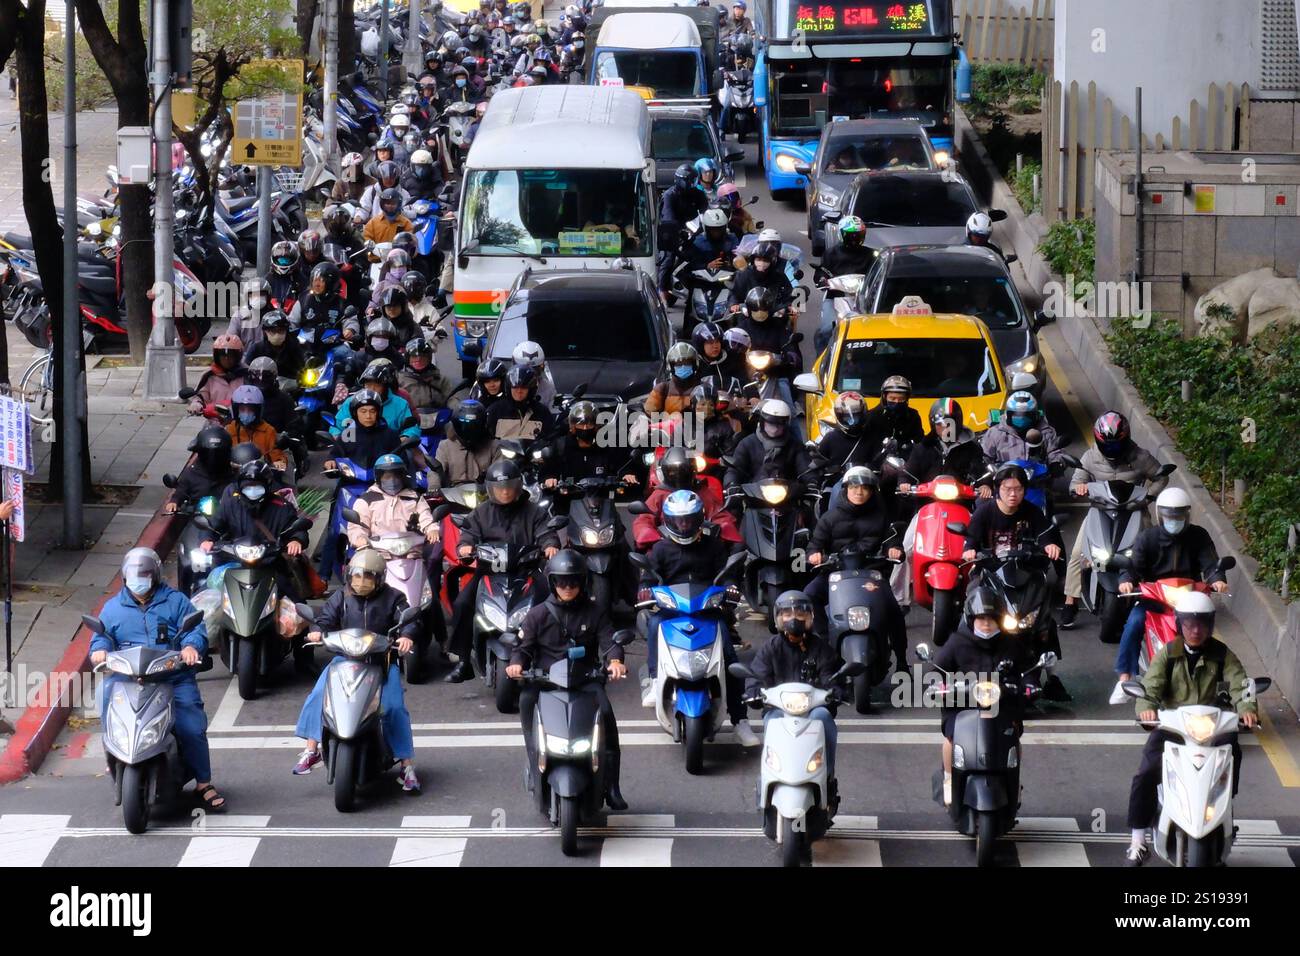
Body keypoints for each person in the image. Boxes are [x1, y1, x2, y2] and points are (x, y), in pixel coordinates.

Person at [1123, 590, 1257, 865]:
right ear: (1180, 624)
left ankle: (1223, 818)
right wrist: (1146, 709)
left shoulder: (1222, 654)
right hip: (1173, 726)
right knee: (1146, 772)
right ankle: (1137, 840)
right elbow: (1150, 688)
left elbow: (1240, 684)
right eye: (1189, 623)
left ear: (1210, 624)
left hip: (1212, 726)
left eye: (1201, 623)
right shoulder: (1168, 654)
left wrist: (1246, 711)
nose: (1195, 630)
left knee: (1233, 757)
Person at [90, 549, 226, 811]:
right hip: (127, 678)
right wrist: (99, 650)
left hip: (171, 677)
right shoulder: (113, 608)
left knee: (191, 727)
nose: (137, 581)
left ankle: (203, 783)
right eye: (132, 576)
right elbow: (102, 636)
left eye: (143, 576)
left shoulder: (175, 602)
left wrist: (190, 647)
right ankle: (114, 756)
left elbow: (194, 630)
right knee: (106, 703)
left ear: (154, 576)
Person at [291, 549, 423, 792]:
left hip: (380, 662)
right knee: (318, 697)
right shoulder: (341, 597)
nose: (360, 582)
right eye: (356, 576)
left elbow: (409, 619)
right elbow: (326, 619)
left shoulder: (394, 597)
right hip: (344, 659)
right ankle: (312, 750)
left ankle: (406, 765)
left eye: (368, 577)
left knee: (394, 707)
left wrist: (406, 636)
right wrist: (318, 631)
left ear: (380, 578)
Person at [506, 550, 629, 809]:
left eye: (573, 581)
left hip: (585, 680)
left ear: (582, 582)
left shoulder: (595, 612)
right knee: (527, 701)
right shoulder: (537, 614)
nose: (568, 587)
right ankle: (534, 761)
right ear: (552, 583)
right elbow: (523, 647)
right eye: (562, 582)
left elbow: (610, 641)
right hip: (546, 682)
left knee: (606, 714)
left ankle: (612, 785)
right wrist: (517, 664)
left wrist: (615, 661)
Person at [638, 490, 757, 745]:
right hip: (672, 612)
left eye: (689, 520)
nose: (684, 525)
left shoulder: (713, 546)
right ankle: (653, 679)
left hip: (708, 612)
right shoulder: (660, 549)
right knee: (654, 624)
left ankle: (740, 720)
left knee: (729, 656)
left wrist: (731, 588)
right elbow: (647, 577)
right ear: (668, 521)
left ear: (699, 518)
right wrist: (645, 590)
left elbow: (726, 574)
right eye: (679, 520)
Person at [444, 460, 561, 682]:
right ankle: (463, 661)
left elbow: (547, 532)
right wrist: (465, 546)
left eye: (509, 487)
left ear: (518, 486)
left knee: (553, 603)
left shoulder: (534, 511)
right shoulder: (481, 512)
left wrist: (550, 545)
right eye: (499, 488)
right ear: (490, 489)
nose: (504, 492)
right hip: (488, 573)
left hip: (526, 570)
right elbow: (468, 534)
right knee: (462, 604)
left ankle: (554, 657)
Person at [961, 463, 1069, 701]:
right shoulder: (984, 512)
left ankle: (1052, 676)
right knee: (970, 600)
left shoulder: (1032, 512)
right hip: (989, 573)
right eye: (1008, 488)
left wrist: (1050, 545)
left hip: (1025, 575)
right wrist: (970, 551)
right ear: (998, 488)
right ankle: (964, 663)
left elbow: (1047, 535)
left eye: (1018, 489)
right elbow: (970, 540)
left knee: (1044, 621)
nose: (1013, 494)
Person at [1111, 487, 1230, 704]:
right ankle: (1124, 677)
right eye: (1169, 516)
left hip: (1190, 600)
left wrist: (1217, 579)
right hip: (1154, 599)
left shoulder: (1199, 536)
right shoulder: (1147, 538)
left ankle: (1220, 684)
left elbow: (1211, 563)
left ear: (1187, 515)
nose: (1174, 520)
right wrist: (1126, 580)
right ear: (1160, 515)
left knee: (1203, 629)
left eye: (1179, 515)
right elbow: (1133, 567)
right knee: (1135, 622)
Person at [1058, 411, 1169, 629]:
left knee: (1154, 550)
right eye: (1106, 445)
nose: (1112, 450)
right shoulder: (1090, 457)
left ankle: (1157, 599)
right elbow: (1076, 481)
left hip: (1134, 510)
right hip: (1100, 511)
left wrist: (1149, 496)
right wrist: (1078, 488)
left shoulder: (1141, 457)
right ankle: (1070, 601)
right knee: (1077, 553)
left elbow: (1161, 476)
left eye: (1116, 445)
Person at [928, 585, 1033, 807]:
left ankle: (1014, 780)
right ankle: (949, 778)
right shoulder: (957, 642)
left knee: (1013, 737)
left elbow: (1028, 670)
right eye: (981, 618)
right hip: (963, 705)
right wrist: (938, 687)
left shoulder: (1011, 644)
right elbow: (936, 670)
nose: (986, 623)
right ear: (970, 618)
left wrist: (1028, 686)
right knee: (950, 739)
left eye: (991, 618)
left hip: (1003, 704)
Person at [804, 466, 907, 667]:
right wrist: (814, 555)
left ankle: (902, 660)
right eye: (854, 487)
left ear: (872, 491)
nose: (859, 492)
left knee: (894, 611)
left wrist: (894, 549)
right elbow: (814, 544)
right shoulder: (829, 517)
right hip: (836, 574)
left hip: (871, 575)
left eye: (864, 488)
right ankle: (825, 642)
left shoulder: (881, 516)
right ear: (845, 489)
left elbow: (892, 541)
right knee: (808, 595)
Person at [744, 590, 841, 777]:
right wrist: (753, 691)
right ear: (778, 618)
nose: (794, 619)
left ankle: (827, 775)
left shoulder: (821, 648)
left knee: (824, 717)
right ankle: (771, 777)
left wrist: (835, 690)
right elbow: (757, 674)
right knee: (772, 722)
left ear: (810, 617)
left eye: (800, 614)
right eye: (787, 614)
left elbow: (830, 676)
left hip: (813, 709)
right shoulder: (770, 647)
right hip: (778, 709)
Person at [724, 398, 811, 493]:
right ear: (762, 423)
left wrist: (812, 483)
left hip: (788, 498)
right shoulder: (747, 443)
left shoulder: (795, 445)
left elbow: (805, 468)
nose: (774, 429)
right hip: (753, 497)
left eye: (779, 424)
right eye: (770, 424)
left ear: (786, 425)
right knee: (734, 505)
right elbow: (735, 469)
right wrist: (732, 484)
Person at [816, 216, 872, 355]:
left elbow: (877, 274)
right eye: (850, 235)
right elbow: (821, 272)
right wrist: (823, 279)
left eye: (857, 235)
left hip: (864, 298)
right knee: (827, 330)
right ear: (842, 234)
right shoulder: (830, 254)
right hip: (835, 297)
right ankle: (821, 361)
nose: (854, 239)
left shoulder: (871, 254)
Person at [334, 360, 422, 442]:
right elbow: (336, 427)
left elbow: (412, 428)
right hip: (355, 451)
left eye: (377, 385)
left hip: (391, 452)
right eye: (368, 385)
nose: (372, 389)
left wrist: (405, 438)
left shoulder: (400, 404)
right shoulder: (350, 403)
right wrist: (338, 437)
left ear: (385, 386)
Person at [657, 163, 709, 303]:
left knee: (705, 252)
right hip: (671, 232)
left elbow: (706, 212)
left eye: (694, 180)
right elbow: (668, 218)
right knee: (668, 259)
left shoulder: (698, 194)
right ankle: (661, 291)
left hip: (694, 230)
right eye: (689, 181)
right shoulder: (669, 195)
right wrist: (679, 232)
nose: (692, 184)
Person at [980, 389, 1067, 465]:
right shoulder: (995, 433)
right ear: (1007, 415)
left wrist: (1056, 463)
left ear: (1035, 416)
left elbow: (1054, 452)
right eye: (1016, 416)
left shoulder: (1045, 432)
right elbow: (984, 456)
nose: (1021, 419)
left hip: (1037, 479)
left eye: (1026, 416)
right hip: (1005, 480)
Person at [166, 425, 234, 514]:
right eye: (208, 453)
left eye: (218, 453)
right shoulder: (191, 473)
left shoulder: (233, 475)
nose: (213, 457)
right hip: (196, 520)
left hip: (229, 520)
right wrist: (174, 502)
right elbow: (181, 491)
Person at [432, 398, 497, 488]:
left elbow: (500, 471)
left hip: (486, 494)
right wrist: (434, 487)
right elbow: (435, 471)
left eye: (475, 426)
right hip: (453, 495)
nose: (469, 430)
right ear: (455, 425)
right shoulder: (445, 446)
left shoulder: (493, 446)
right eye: (464, 424)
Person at [862, 376, 925, 470]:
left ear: (907, 399)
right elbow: (864, 447)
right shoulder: (872, 416)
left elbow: (919, 442)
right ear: (884, 396)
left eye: (901, 399)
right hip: (876, 468)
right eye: (892, 398)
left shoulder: (913, 416)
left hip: (906, 466)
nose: (897, 402)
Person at [486, 364, 557, 443]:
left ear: (531, 389)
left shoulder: (543, 412)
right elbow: (487, 441)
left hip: (532, 454)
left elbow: (550, 439)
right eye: (515, 387)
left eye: (524, 387)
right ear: (509, 387)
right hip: (502, 454)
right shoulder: (495, 410)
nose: (519, 391)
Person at [187, 334, 245, 416]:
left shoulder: (247, 374)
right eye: (223, 355)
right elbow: (201, 395)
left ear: (237, 356)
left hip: (239, 422)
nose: (227, 359)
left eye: (231, 355)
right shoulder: (209, 375)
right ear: (217, 356)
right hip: (214, 421)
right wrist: (196, 404)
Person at [644, 342, 704, 416]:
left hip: (696, 426)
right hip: (668, 426)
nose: (683, 367)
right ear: (671, 367)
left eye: (687, 363)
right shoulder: (662, 389)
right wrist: (667, 420)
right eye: (678, 364)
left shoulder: (702, 388)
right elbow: (649, 413)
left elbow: (709, 414)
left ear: (694, 365)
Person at [243, 310, 306, 380]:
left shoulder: (293, 347)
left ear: (286, 331)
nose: (277, 335)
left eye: (281, 330)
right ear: (265, 332)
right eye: (273, 331)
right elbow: (246, 372)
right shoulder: (256, 349)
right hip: (262, 386)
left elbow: (302, 369)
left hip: (290, 387)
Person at [399, 337, 456, 411]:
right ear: (407, 358)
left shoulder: (441, 379)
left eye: (422, 356)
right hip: (408, 419)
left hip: (437, 418)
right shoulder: (399, 380)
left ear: (429, 358)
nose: (418, 359)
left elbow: (452, 398)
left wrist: (457, 409)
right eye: (414, 356)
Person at [511, 340, 557, 410]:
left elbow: (552, 415)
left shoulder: (548, 389)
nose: (531, 375)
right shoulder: (507, 386)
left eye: (535, 369)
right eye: (525, 370)